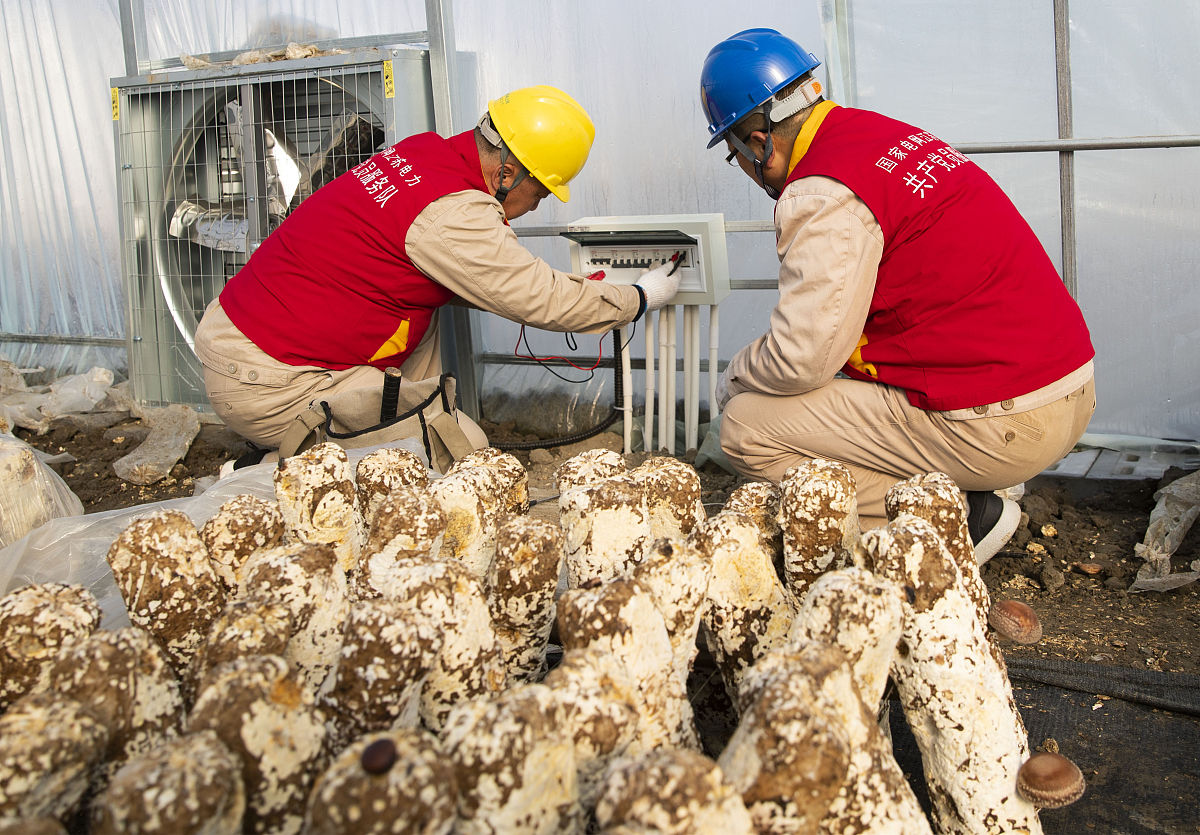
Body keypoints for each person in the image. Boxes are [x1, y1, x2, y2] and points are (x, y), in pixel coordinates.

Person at [701, 28, 1096, 561]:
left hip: (1006, 421)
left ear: (758, 143)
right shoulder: (883, 137)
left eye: (736, 157)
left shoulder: (821, 190)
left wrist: (733, 376)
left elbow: (801, 359)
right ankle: (977, 485)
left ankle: (954, 517)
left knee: (746, 426)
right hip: (1063, 388)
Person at [195, 85, 679, 459]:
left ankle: (375, 427)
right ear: (508, 173)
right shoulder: (452, 212)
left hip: (244, 338)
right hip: (273, 381)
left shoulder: (424, 153)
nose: (534, 208)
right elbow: (539, 297)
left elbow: (483, 275)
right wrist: (638, 298)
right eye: (541, 194)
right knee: (459, 451)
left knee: (424, 310)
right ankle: (281, 465)